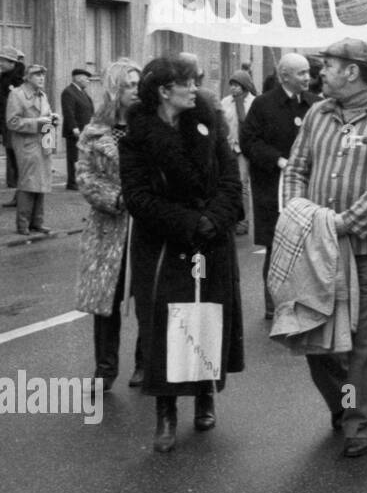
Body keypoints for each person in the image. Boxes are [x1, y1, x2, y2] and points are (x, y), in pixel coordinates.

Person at [282, 38, 367, 458]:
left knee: (366, 345)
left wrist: (344, 224)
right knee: (315, 335)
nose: (320, 71)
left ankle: (360, 425)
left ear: (353, 71)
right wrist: (296, 213)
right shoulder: (317, 114)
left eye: (328, 65)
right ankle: (345, 405)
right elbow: (296, 169)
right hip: (317, 247)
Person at [119, 56, 245, 452]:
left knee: (206, 317)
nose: (195, 88)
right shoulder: (136, 139)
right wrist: (189, 224)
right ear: (163, 90)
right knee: (163, 326)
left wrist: (213, 221)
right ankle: (166, 411)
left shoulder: (209, 125)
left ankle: (205, 395)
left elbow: (229, 182)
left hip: (211, 241)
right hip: (163, 245)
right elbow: (138, 198)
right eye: (186, 82)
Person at [75, 59, 145, 391]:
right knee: (106, 301)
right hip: (109, 227)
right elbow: (85, 177)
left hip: (146, 225)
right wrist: (117, 198)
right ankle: (105, 368)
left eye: (138, 83)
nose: (136, 89)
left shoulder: (149, 128)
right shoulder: (95, 131)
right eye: (129, 84)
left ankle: (145, 363)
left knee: (147, 297)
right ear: (115, 89)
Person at [239, 53, 320, 319]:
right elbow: (249, 141)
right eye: (301, 73)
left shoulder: (315, 105)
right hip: (272, 188)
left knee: (307, 247)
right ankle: (274, 304)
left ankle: (304, 300)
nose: (307, 78)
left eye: (308, 72)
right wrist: (279, 160)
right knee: (277, 246)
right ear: (285, 76)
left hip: (307, 189)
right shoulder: (263, 105)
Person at [6, 63, 58, 235]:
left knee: (42, 183)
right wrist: (38, 123)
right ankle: (23, 224)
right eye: (37, 75)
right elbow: (12, 122)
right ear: (27, 77)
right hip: (27, 145)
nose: (41, 78)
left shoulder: (42, 95)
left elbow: (47, 120)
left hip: (42, 144)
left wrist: (52, 122)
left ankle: (37, 222)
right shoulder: (17, 95)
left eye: (43, 75)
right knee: (28, 184)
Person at [220, 70, 258, 236]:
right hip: (229, 146)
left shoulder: (254, 102)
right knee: (228, 183)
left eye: (237, 85)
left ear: (244, 85)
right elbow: (222, 123)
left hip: (245, 148)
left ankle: (243, 221)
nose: (233, 89)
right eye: (232, 85)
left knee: (243, 184)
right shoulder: (226, 102)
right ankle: (230, 218)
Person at [61, 68, 95, 191]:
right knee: (74, 158)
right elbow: (68, 111)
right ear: (78, 78)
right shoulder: (68, 92)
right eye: (86, 79)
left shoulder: (82, 92)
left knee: (82, 158)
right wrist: (74, 127)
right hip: (75, 132)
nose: (88, 81)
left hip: (84, 130)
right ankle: (72, 182)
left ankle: (80, 180)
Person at [1, 46, 24, 194]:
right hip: (6, 124)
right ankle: (17, 192)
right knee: (12, 155)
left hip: (16, 125)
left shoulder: (17, 81)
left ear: (12, 63)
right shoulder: (4, 77)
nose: (0, 64)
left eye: (2, 61)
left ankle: (21, 193)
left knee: (17, 159)